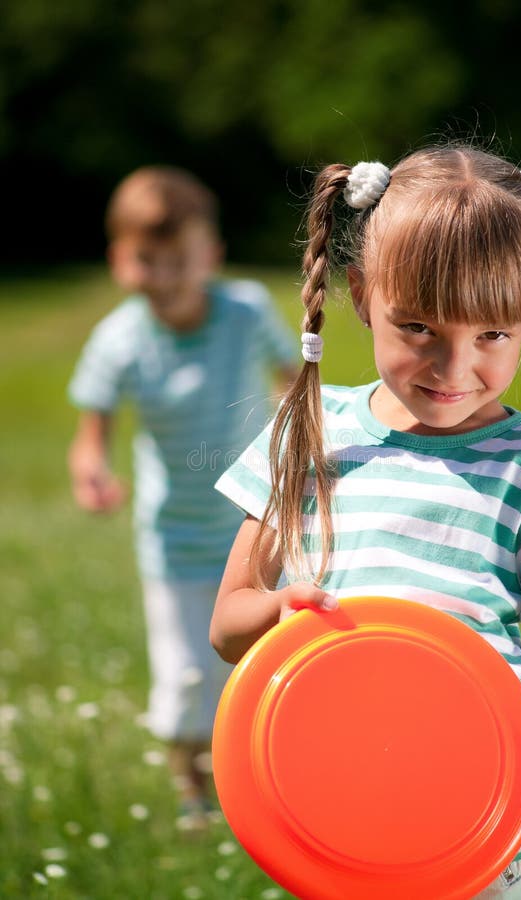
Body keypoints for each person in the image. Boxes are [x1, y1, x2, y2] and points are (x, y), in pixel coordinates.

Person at [209, 145, 521, 897]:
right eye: (419, 328)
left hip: (512, 842)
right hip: (347, 823)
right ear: (362, 294)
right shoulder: (310, 434)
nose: (454, 370)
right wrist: (278, 610)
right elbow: (228, 627)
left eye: (491, 336)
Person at [68, 165, 298, 831]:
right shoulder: (119, 340)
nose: (164, 277)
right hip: (172, 538)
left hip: (254, 530)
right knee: (186, 674)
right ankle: (193, 797)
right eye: (146, 260)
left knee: (262, 659)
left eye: (180, 261)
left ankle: (258, 779)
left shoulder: (247, 311)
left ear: (211, 257)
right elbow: (92, 435)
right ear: (119, 260)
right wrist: (92, 473)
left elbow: (293, 382)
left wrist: (296, 434)